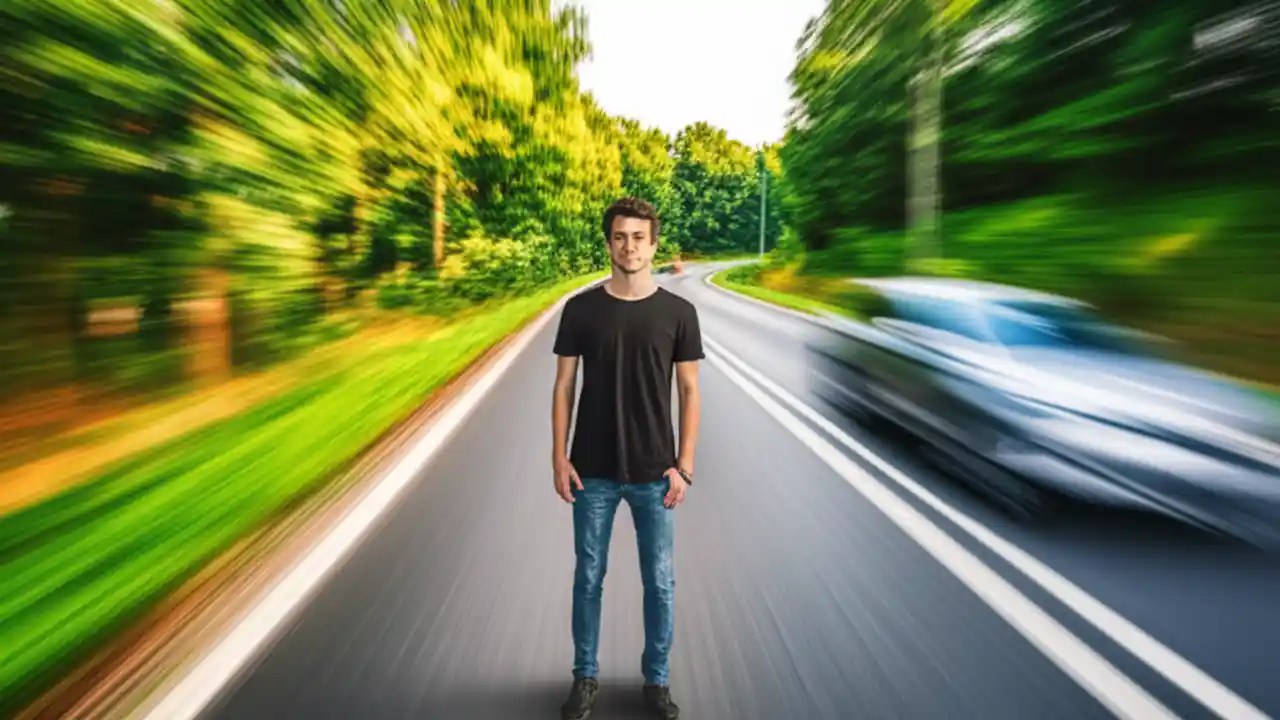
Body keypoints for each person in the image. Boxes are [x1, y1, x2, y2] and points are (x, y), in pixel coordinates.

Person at [551, 197, 703, 720]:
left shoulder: (679, 313)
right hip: (590, 469)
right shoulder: (581, 309)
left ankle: (655, 683)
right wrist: (558, 457)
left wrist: (684, 464)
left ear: (653, 244)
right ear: (608, 242)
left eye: (639, 237)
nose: (629, 246)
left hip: (654, 473)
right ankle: (584, 677)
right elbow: (564, 385)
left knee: (659, 582)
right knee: (588, 576)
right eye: (620, 236)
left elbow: (689, 390)